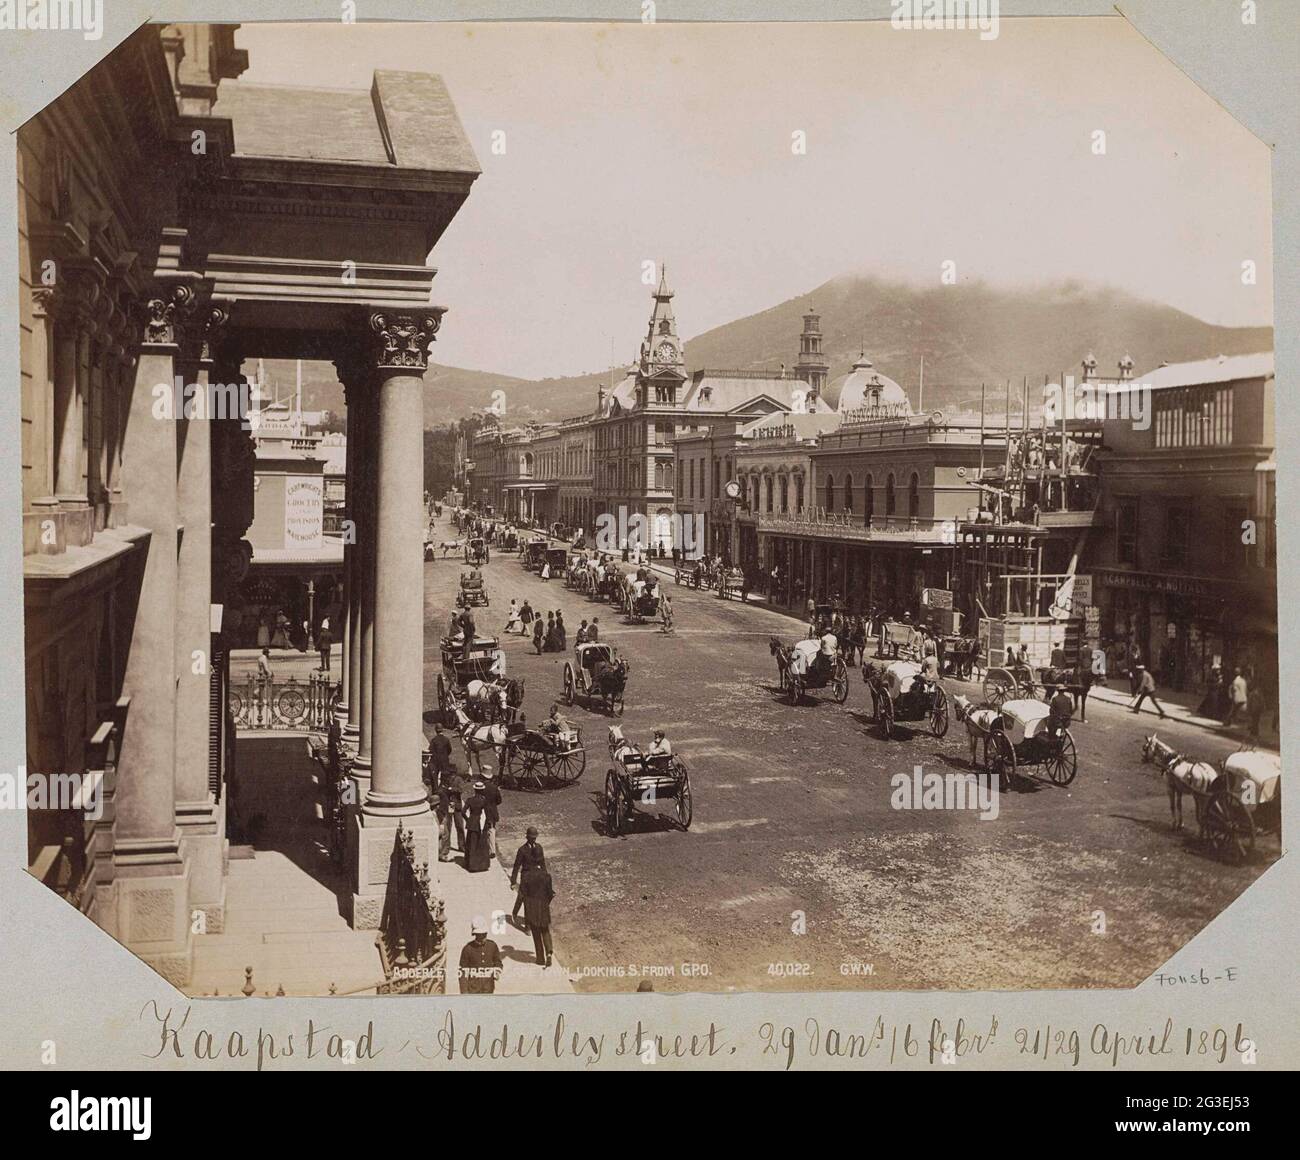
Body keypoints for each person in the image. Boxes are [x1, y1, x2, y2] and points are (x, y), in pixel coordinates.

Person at [511, 826, 547, 930]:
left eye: (535, 838)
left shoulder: (539, 848)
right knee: (525, 899)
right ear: (527, 837)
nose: (533, 839)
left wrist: (545, 878)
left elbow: (543, 863)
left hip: (536, 877)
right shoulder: (522, 850)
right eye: (531, 837)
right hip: (526, 877)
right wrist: (513, 881)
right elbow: (516, 866)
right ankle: (527, 925)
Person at [521, 866, 556, 967]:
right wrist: (546, 902)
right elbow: (550, 893)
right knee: (545, 930)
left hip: (532, 908)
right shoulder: (546, 876)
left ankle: (540, 958)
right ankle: (549, 952)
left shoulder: (526, 876)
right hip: (543, 906)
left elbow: (523, 893)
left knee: (536, 934)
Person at [458, 919, 504, 994]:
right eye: (480, 935)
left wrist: (497, 971)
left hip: (489, 987)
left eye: (484, 934)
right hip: (473, 988)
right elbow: (462, 972)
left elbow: (498, 962)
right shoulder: (467, 949)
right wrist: (464, 993)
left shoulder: (492, 946)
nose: (483, 937)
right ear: (475, 935)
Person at [463, 781, 491, 872]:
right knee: (481, 844)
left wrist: (468, 820)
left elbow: (463, 812)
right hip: (480, 823)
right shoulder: (484, 800)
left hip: (472, 823)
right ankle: (481, 865)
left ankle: (470, 864)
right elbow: (487, 813)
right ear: (482, 790)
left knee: (471, 844)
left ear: (474, 790)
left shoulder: (470, 800)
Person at [480, 770, 502, 860]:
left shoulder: (481, 787)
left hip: (483, 810)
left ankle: (485, 849)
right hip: (492, 811)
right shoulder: (494, 787)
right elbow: (499, 800)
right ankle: (492, 850)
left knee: (483, 829)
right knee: (491, 829)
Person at [427, 723, 453, 790]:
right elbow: (449, 749)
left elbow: (430, 750)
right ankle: (444, 789)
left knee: (435, 777)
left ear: (436, 730)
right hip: (444, 761)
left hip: (436, 761)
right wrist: (445, 756)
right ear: (442, 730)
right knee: (445, 776)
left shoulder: (434, 740)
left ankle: (436, 790)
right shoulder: (446, 739)